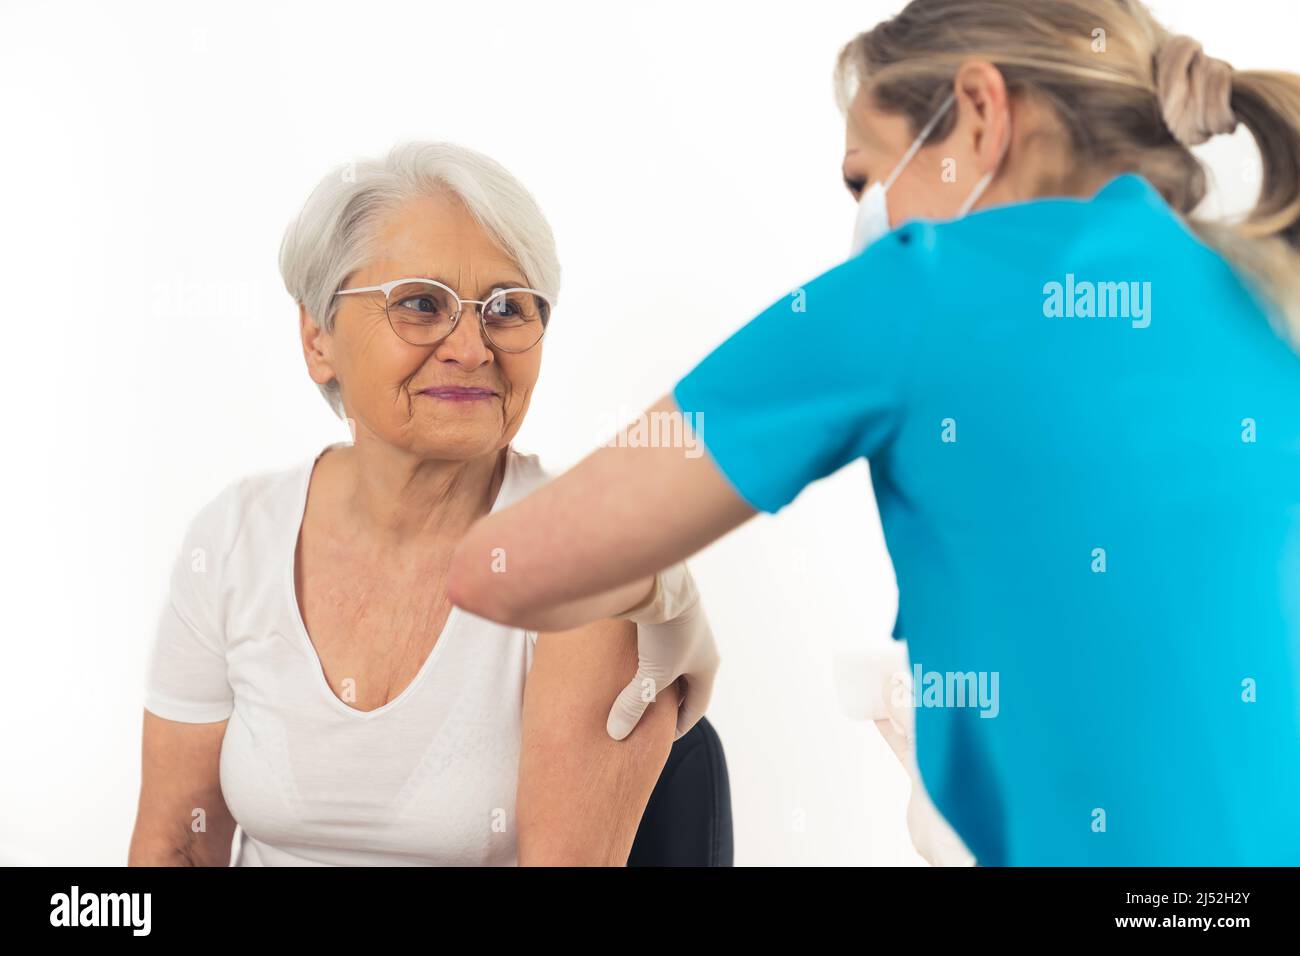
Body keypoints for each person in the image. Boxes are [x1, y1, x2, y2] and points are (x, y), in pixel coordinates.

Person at [448, 0, 1300, 865]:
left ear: (977, 112)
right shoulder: (1274, 290)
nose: (866, 213)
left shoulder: (923, 286)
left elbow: (502, 572)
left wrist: (664, 600)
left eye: (864, 177)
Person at [129, 142, 721, 866]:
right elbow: (173, 848)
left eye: (506, 308)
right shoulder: (233, 538)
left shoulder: (592, 567)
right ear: (319, 339)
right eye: (420, 304)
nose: (471, 347)